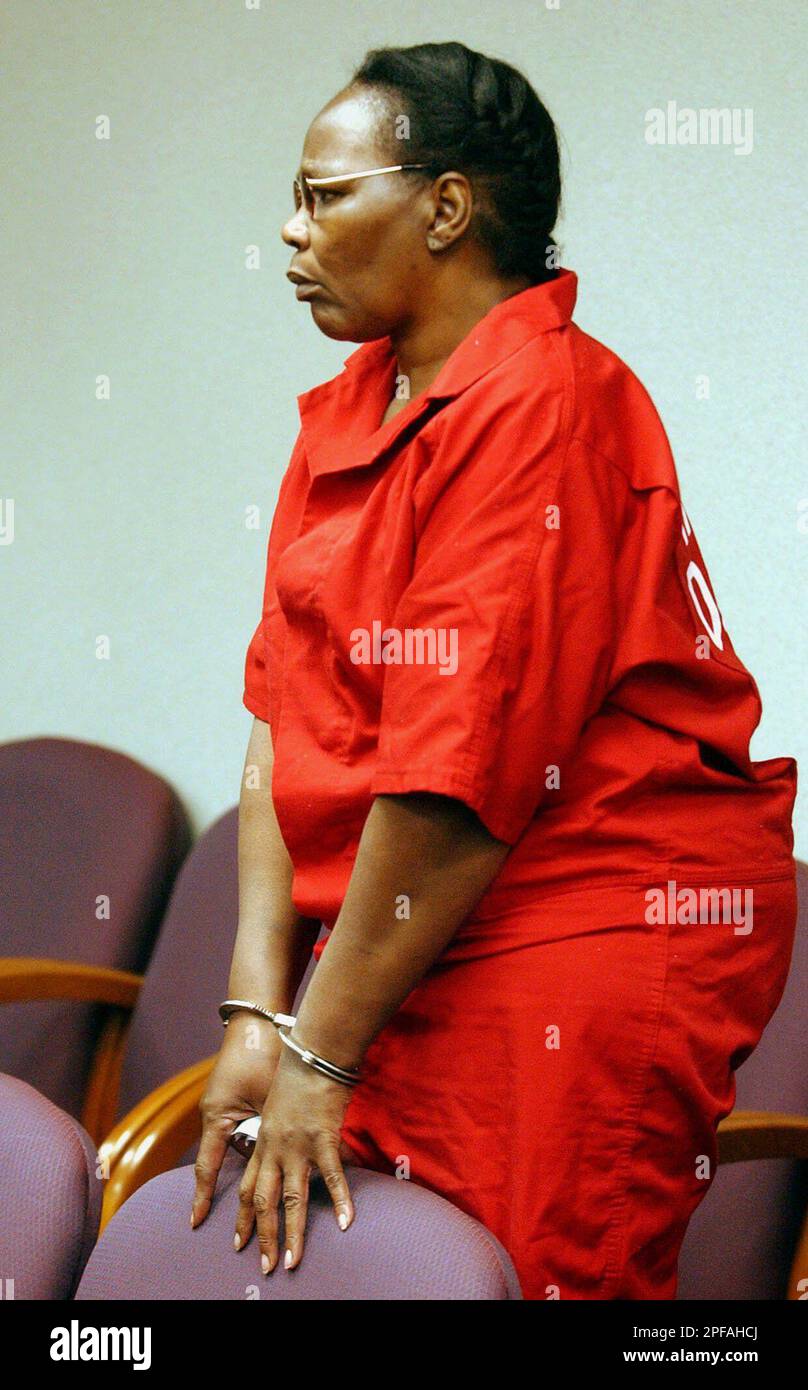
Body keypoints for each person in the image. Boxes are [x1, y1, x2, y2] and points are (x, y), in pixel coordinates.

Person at [190, 41, 798, 1300]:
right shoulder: (355, 407)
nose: (288, 230)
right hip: (414, 930)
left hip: (585, 914)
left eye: (322, 194)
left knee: (529, 1279)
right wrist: (261, 1013)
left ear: (446, 206)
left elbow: (453, 787)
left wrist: (322, 1051)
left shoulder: (545, 403)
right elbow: (279, 722)